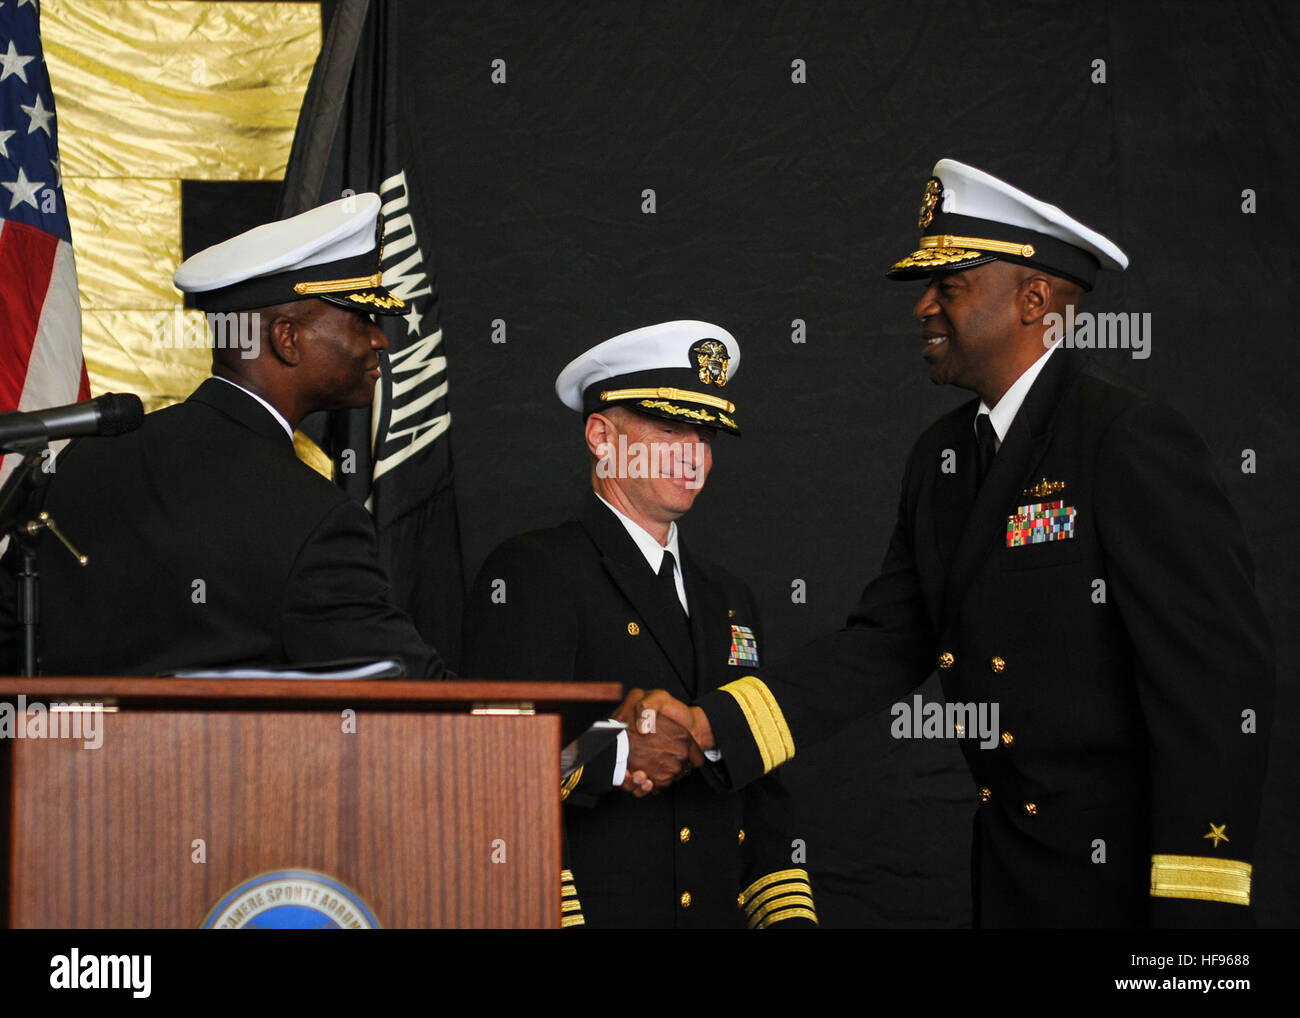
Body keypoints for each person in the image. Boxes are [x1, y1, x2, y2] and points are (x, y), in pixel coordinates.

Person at [641, 160, 1275, 928]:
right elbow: (888, 643)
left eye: (951, 285)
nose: (923, 307)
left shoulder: (1125, 440)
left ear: (1034, 300)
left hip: (1130, 887)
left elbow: (1215, 684)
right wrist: (713, 726)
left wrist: (1195, 933)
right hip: (1012, 873)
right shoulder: (941, 461)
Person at [1, 193, 449, 678]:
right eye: (360, 319)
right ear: (287, 339)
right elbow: (412, 692)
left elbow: (11, 640)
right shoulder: (315, 518)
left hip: (56, 750)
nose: (379, 339)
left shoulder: (74, 465)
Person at [462, 321, 816, 928]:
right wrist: (616, 750)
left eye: (704, 434)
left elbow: (763, 794)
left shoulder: (729, 595)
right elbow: (490, 762)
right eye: (670, 428)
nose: (694, 455)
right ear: (601, 436)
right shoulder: (534, 571)